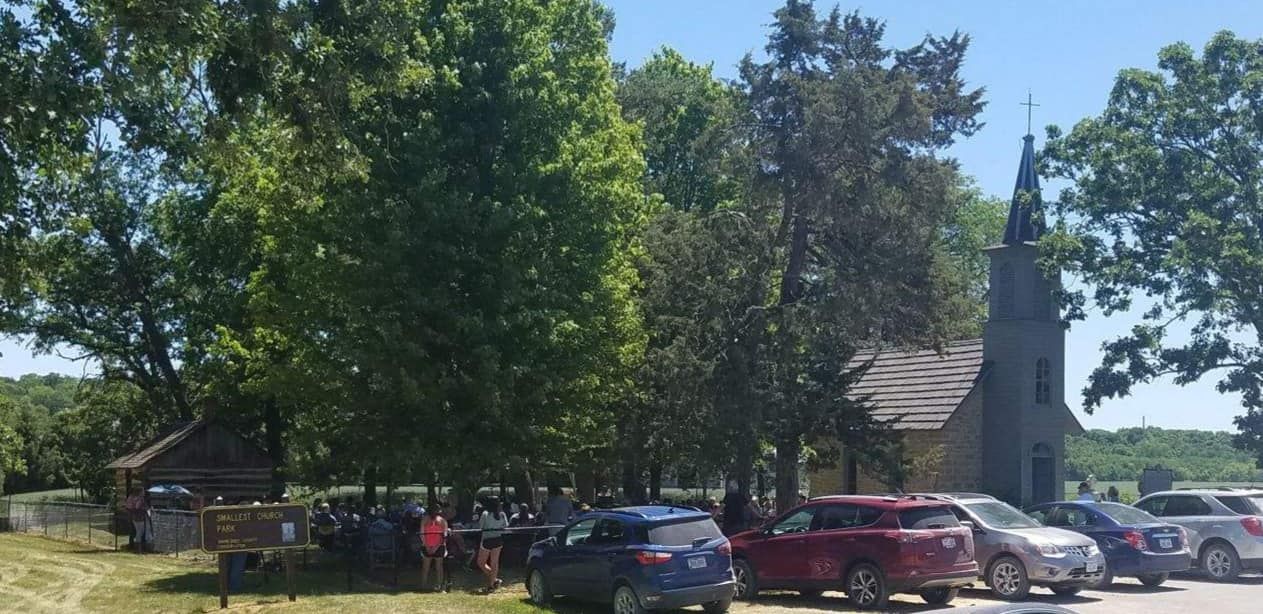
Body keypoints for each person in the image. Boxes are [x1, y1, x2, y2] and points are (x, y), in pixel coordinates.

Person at [476, 499, 509, 593]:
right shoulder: (502, 514)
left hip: (487, 540)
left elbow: (481, 526)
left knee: (481, 562)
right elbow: (505, 525)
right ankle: (494, 581)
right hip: (498, 539)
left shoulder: (485, 513)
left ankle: (493, 583)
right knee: (494, 563)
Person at [421, 508, 449, 592]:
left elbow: (444, 536)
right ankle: (423, 586)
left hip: (439, 546)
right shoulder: (424, 520)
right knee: (426, 567)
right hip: (427, 546)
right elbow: (422, 534)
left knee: (439, 567)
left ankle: (440, 586)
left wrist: (435, 547)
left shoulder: (443, 521)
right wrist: (426, 546)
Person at [124, 487, 151, 554]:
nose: (144, 493)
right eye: (143, 491)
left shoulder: (131, 497)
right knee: (140, 532)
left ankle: (138, 549)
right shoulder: (139, 498)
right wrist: (144, 507)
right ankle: (138, 550)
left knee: (138, 532)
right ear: (140, 492)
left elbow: (128, 507)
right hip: (139, 517)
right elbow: (137, 506)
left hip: (134, 517)